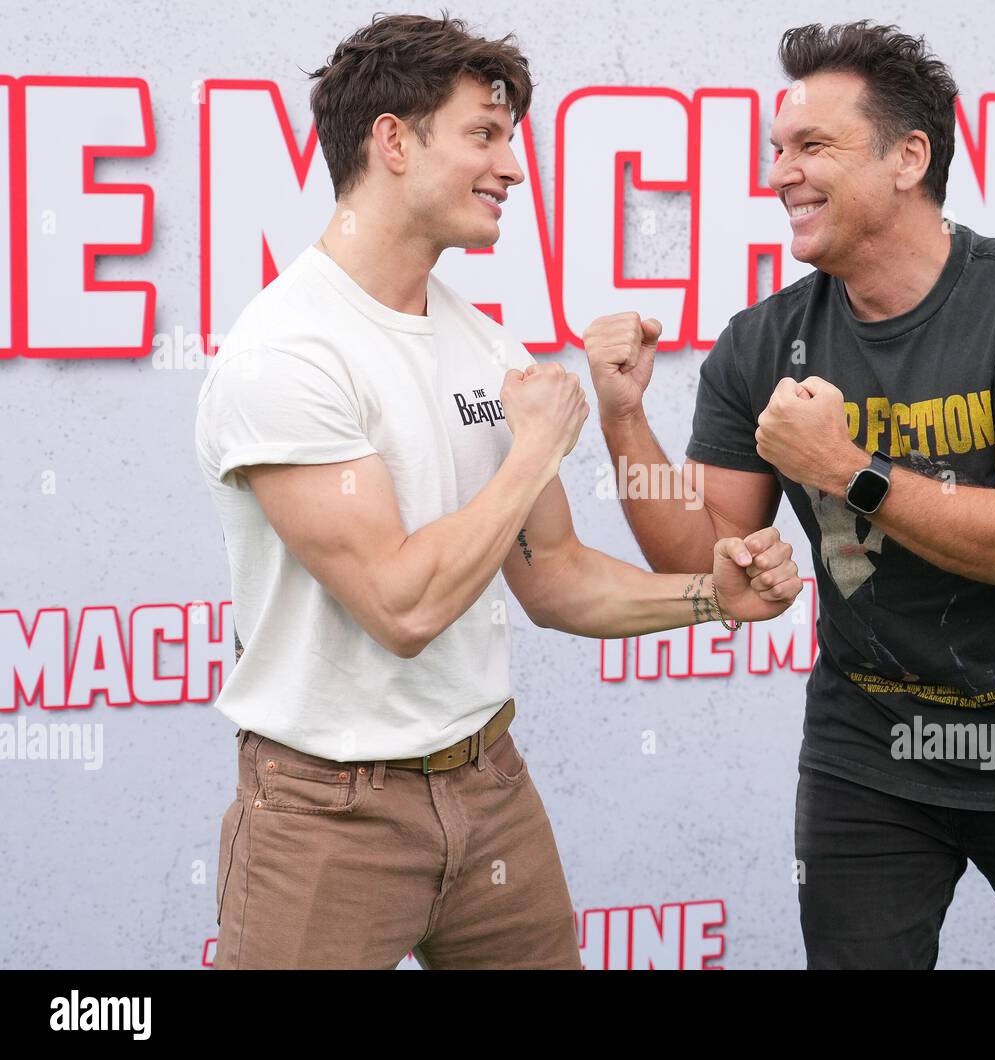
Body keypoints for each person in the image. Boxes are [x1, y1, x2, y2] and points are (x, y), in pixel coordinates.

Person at [193, 13, 802, 970]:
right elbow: (402, 605)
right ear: (392, 140)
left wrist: (710, 595)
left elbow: (554, 577)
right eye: (484, 134)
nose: (513, 167)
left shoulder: (485, 347)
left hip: (490, 790)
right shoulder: (287, 351)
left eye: (510, 139)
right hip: (327, 816)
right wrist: (532, 453)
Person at [583, 19, 995, 970]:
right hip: (869, 755)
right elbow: (704, 562)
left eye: (812, 146)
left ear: (909, 157)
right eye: (777, 149)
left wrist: (847, 471)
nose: (780, 173)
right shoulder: (761, 340)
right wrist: (621, 420)